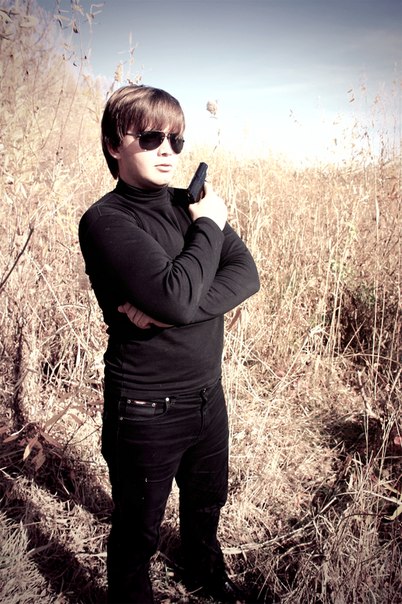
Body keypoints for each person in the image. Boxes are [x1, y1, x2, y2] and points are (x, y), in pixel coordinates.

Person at [78, 84, 260, 604]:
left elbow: (246, 274)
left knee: (207, 502)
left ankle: (205, 571)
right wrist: (209, 228)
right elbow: (178, 296)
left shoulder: (189, 204)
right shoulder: (107, 221)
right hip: (145, 407)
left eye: (176, 140)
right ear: (114, 144)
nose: (167, 151)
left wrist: (167, 310)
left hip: (208, 394)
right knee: (138, 530)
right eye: (151, 137)